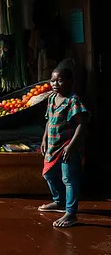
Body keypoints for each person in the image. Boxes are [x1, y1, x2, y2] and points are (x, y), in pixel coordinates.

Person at [38, 66, 88, 228]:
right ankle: (59, 201)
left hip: (67, 147)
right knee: (49, 174)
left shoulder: (73, 101)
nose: (55, 84)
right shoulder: (52, 98)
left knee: (69, 178)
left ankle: (71, 213)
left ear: (70, 82)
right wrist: (45, 139)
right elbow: (49, 120)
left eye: (60, 80)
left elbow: (82, 124)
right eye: (53, 80)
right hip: (52, 145)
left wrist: (71, 146)